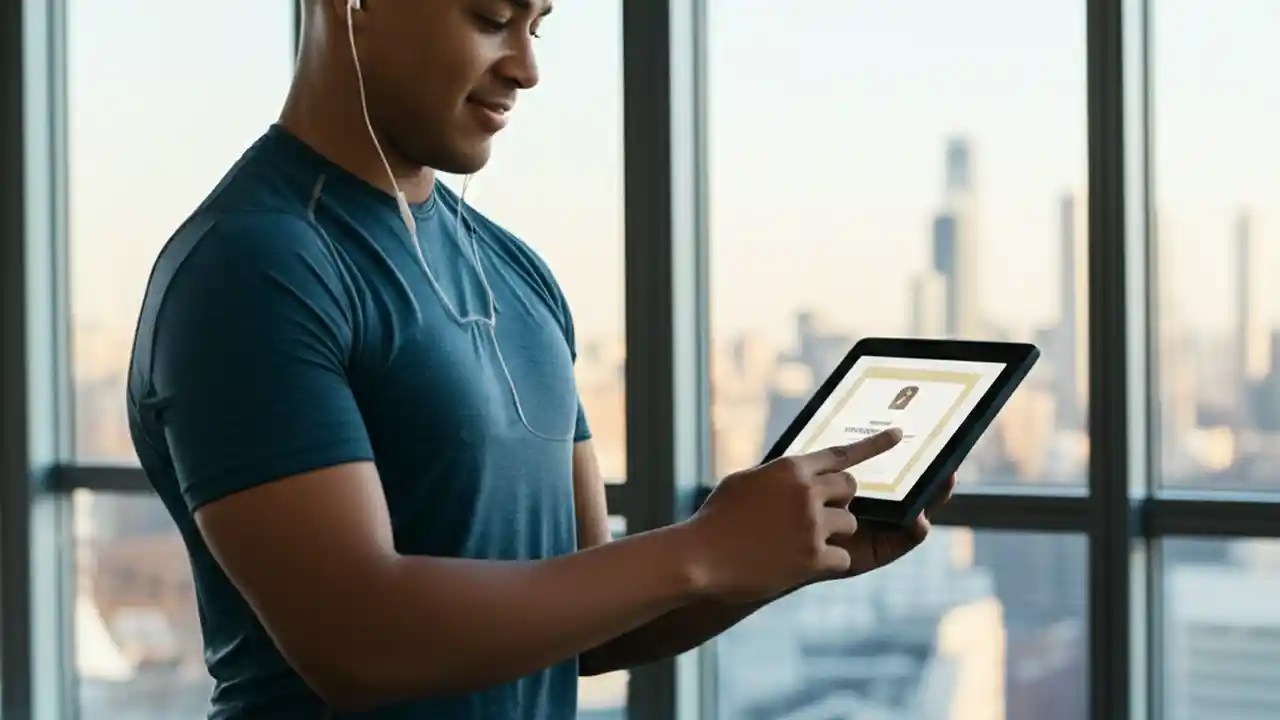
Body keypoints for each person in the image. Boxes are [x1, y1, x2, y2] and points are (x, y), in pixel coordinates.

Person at [125, 1, 956, 718]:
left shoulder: (518, 274)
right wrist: (704, 546)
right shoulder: (254, 267)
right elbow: (358, 641)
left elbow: (595, 621)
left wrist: (780, 557)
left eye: (538, 24)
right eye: (491, 20)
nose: (526, 68)